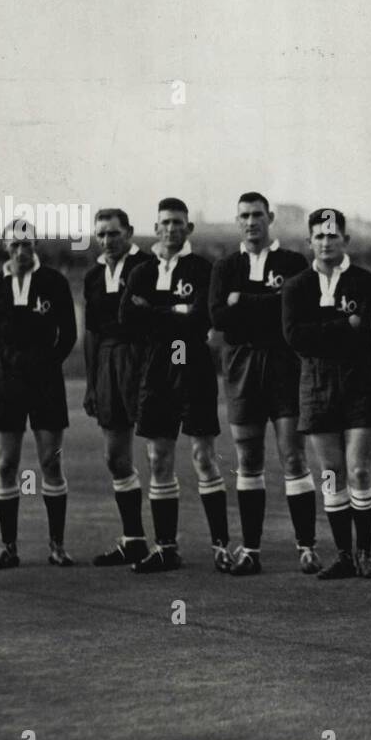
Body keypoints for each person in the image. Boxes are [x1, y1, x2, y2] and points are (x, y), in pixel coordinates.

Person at [209, 192, 318, 577]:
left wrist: (246, 302)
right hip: (240, 365)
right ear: (237, 221)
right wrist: (270, 300)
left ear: (270, 217)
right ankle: (251, 550)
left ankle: (307, 547)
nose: (251, 221)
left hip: (284, 364)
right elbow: (220, 317)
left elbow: (296, 310)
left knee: (293, 456)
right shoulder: (225, 267)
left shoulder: (292, 262)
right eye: (244, 216)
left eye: (257, 215)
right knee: (248, 460)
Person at [120, 198, 232, 573]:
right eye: (165, 223)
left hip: (193, 365)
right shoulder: (140, 271)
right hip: (156, 368)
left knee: (203, 456)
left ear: (189, 228)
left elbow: (200, 317)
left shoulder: (203, 269)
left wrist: (154, 312)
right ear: (156, 228)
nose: (171, 229)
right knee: (158, 458)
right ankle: (166, 547)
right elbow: (127, 319)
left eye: (178, 223)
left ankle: (220, 545)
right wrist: (176, 312)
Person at [281, 209, 371, 579]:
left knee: (358, 469)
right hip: (316, 384)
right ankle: (342, 554)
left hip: (360, 383)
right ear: (309, 241)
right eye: (319, 237)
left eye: (333, 236)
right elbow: (295, 337)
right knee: (330, 472)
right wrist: (344, 324)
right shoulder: (296, 286)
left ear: (346, 240)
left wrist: (322, 331)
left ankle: (364, 553)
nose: (326, 243)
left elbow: (368, 334)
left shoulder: (366, 282)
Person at [0, 221, 77, 568]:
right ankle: (9, 547)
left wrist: (45, 364)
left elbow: (67, 335)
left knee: (51, 462)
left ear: (35, 245)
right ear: (5, 248)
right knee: (6, 464)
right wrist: (14, 364)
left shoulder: (54, 283)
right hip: (7, 383)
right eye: (14, 245)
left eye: (27, 244)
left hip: (46, 383)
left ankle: (57, 546)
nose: (21, 251)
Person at [83, 208, 155, 566]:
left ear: (129, 231)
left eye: (113, 233)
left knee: (159, 453)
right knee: (115, 457)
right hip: (108, 363)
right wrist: (92, 384)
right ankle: (134, 539)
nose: (108, 241)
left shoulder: (149, 266)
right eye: (101, 235)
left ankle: (167, 544)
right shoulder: (94, 275)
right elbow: (92, 333)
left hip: (144, 359)